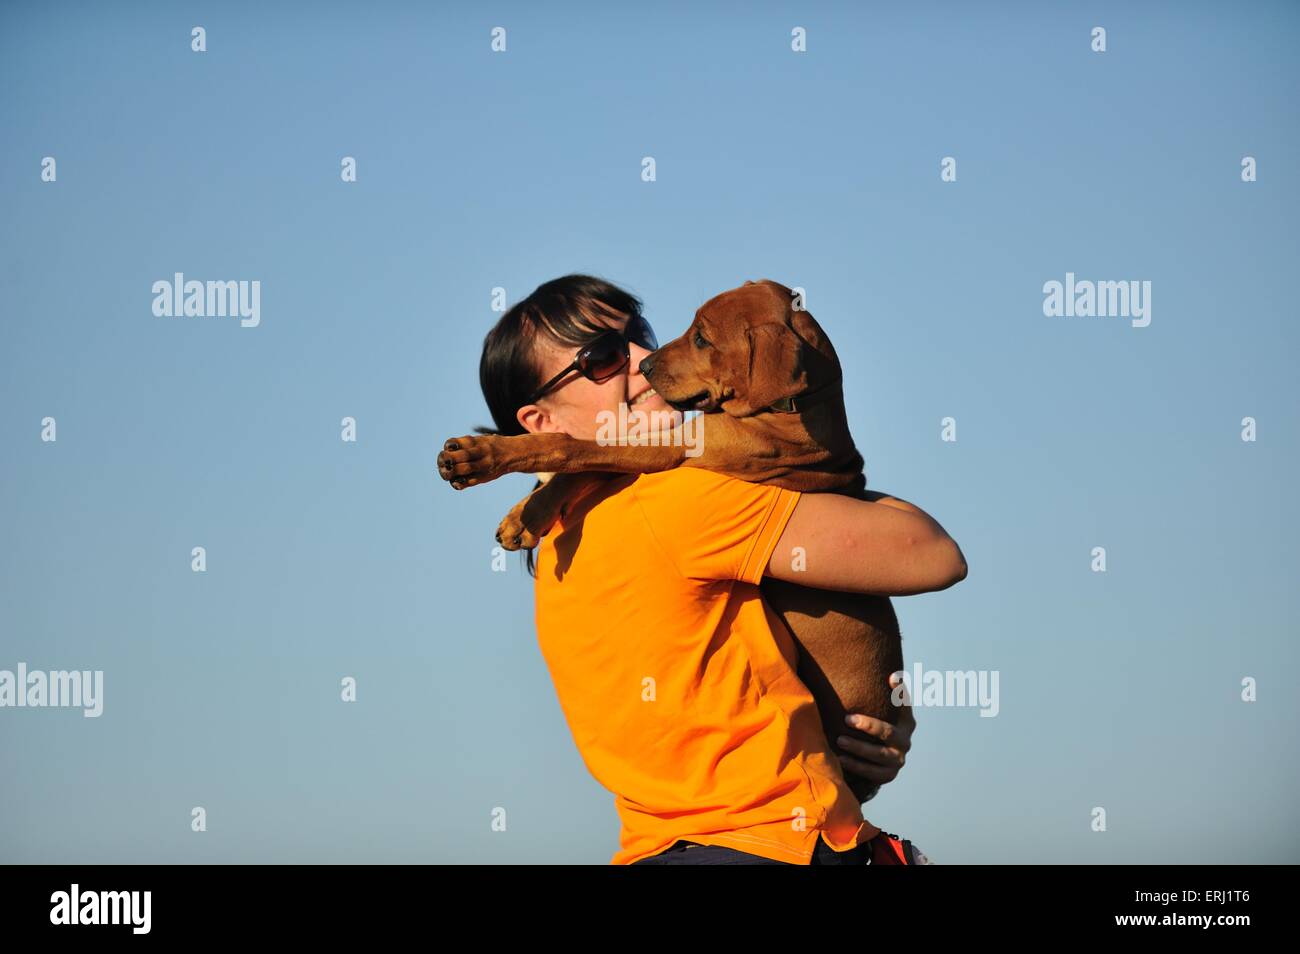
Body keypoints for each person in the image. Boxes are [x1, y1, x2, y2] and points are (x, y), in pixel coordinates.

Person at [472, 275, 967, 864]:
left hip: (661, 847)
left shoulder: (559, 544)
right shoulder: (678, 500)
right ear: (540, 424)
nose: (645, 357)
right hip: (777, 836)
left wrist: (855, 716)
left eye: (640, 334)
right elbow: (932, 554)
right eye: (602, 358)